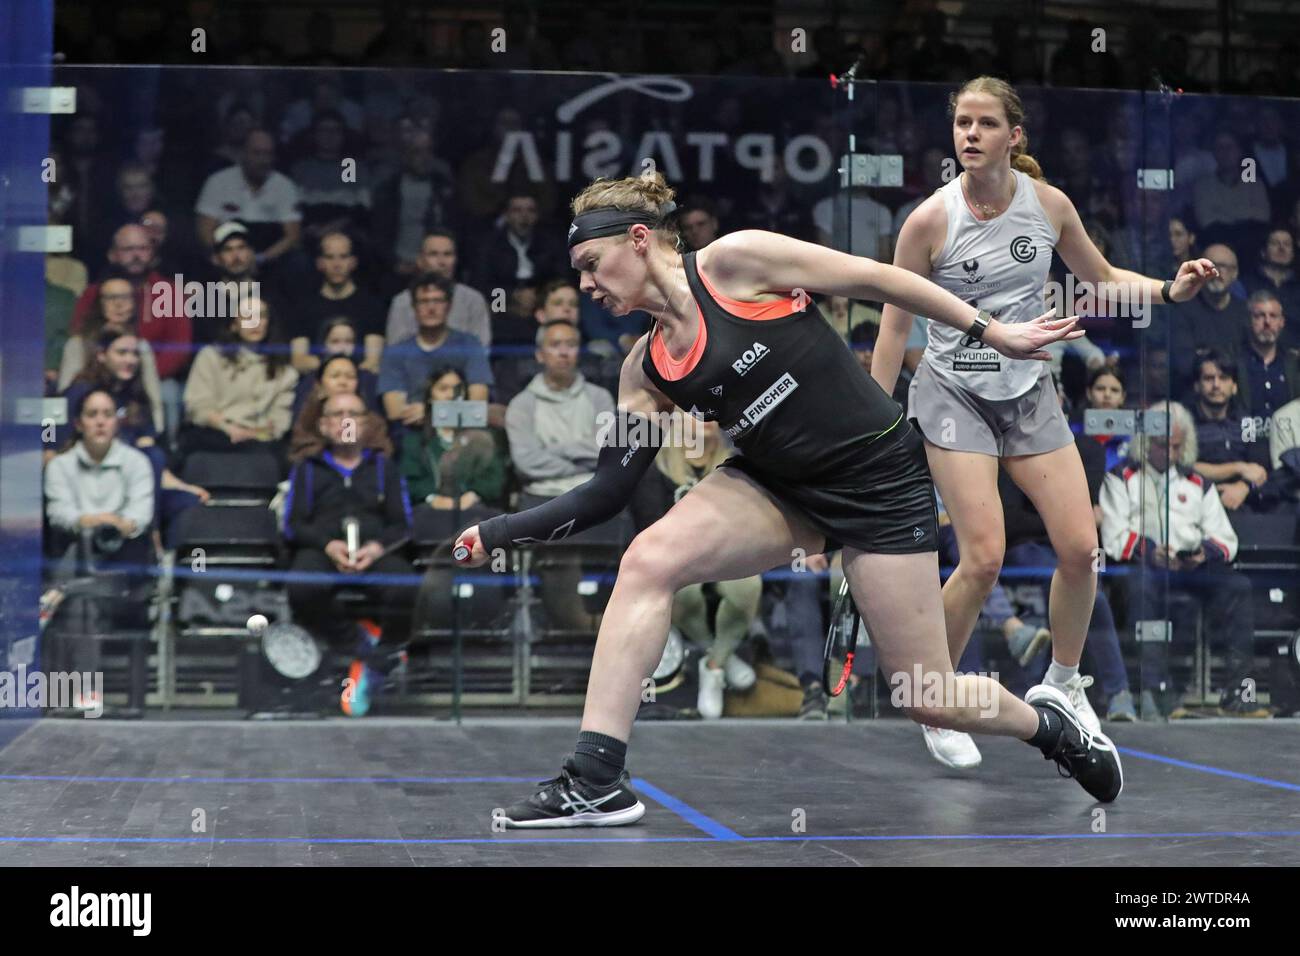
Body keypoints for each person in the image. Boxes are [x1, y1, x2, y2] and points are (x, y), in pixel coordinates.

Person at [454, 171, 1121, 828]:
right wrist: (500, 531)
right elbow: (606, 493)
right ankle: (596, 780)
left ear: (637, 239)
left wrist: (990, 330)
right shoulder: (645, 371)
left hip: (880, 484)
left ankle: (1053, 728)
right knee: (647, 560)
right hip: (778, 486)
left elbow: (879, 279)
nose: (585, 285)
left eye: (591, 265)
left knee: (931, 699)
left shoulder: (739, 262)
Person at [871, 76, 1217, 771]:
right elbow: (892, 328)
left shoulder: (1048, 207)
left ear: (1013, 136)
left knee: (1081, 550)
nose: (969, 134)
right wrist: (869, 436)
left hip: (1029, 394)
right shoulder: (928, 222)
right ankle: (932, 697)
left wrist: (1169, 291)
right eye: (961, 123)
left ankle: (1063, 684)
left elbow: (1101, 275)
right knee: (985, 557)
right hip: (953, 397)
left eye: (985, 123)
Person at [1099, 401, 1270, 718]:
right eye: (1163, 446)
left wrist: (1204, 553)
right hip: (1143, 570)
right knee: (1142, 586)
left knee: (1239, 585)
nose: (1170, 454)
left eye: (1176, 447)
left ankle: (1238, 692)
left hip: (1192, 568)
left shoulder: (1197, 483)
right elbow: (1113, 536)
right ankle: (1156, 692)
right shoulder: (1121, 477)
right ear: (1146, 442)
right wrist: (1152, 552)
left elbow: (1226, 539)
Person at [283, 390, 415, 717]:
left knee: (407, 585)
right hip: (325, 550)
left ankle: (375, 651)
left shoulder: (384, 468)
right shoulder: (308, 469)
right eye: (337, 415)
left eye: (354, 414)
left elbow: (403, 525)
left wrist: (375, 548)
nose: (346, 422)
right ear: (324, 426)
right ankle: (364, 648)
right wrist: (328, 545)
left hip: (373, 550)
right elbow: (293, 524)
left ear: (367, 424)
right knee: (301, 586)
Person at [629, 418, 760, 719]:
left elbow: (747, 520)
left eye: (713, 415)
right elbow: (650, 527)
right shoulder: (654, 468)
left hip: (724, 554)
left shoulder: (735, 465)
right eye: (696, 414)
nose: (708, 420)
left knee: (748, 588)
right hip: (675, 558)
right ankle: (720, 657)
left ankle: (714, 664)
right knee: (684, 596)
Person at [181, 296, 299, 463]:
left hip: (260, 439)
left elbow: (279, 420)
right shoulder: (210, 357)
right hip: (216, 433)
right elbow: (198, 407)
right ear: (234, 324)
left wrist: (255, 434)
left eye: (261, 315)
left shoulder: (285, 372)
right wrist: (230, 429)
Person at [59, 270, 165, 433]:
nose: (119, 304)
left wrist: (154, 438)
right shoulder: (78, 344)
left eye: (125, 297)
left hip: (128, 426)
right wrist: (51, 446)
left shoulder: (141, 346)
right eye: (111, 298)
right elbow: (61, 404)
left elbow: (153, 398)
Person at [400, 366, 506, 509]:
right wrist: (433, 498)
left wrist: (473, 495)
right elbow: (409, 483)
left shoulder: (483, 438)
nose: (451, 395)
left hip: (475, 510)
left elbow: (494, 479)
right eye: (443, 389)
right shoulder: (414, 441)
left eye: (457, 390)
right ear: (431, 397)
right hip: (430, 511)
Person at [289, 353, 392, 465]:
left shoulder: (370, 420)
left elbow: (381, 452)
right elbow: (300, 451)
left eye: (350, 376)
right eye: (335, 376)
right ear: (319, 385)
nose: (343, 383)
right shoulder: (308, 418)